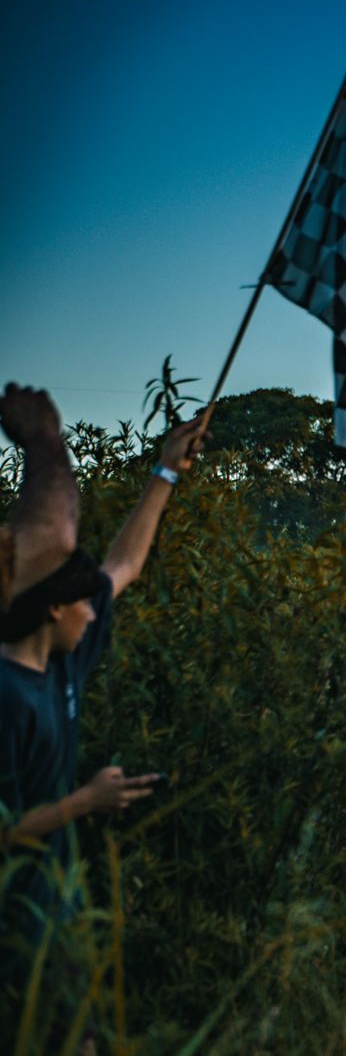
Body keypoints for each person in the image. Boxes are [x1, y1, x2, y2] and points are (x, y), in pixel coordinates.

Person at [1, 383, 205, 1032]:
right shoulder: (6, 697)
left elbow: (124, 563)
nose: (97, 613)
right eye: (84, 604)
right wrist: (86, 801)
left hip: (57, 917)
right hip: (16, 931)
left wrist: (166, 470)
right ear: (52, 608)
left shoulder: (63, 658)